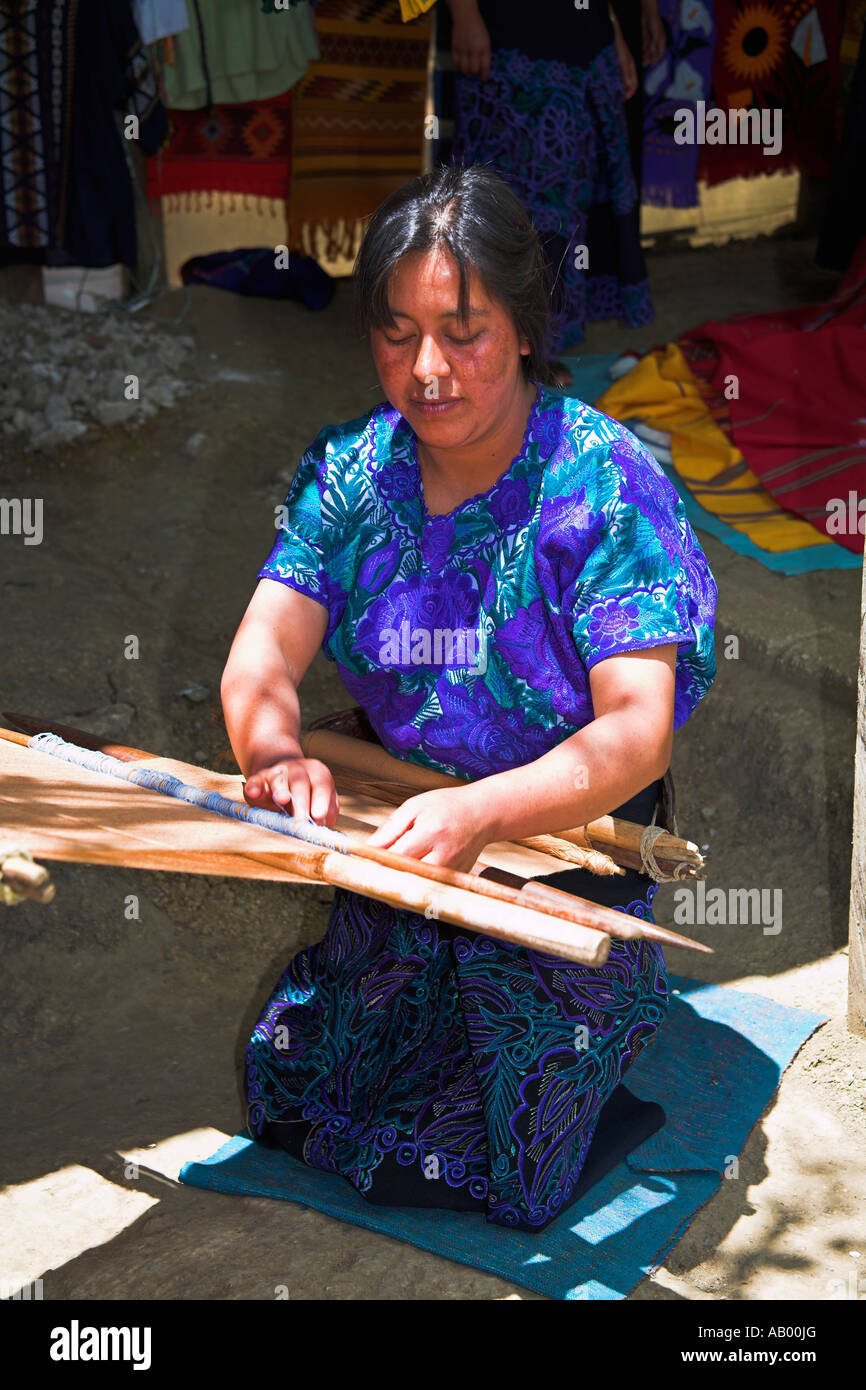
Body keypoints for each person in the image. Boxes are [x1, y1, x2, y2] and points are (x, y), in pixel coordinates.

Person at [221, 165, 717, 1231]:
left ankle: (597, 1011)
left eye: (463, 330)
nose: (426, 369)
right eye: (396, 333)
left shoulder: (601, 485)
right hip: (404, 830)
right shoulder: (350, 476)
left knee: (502, 1143)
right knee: (300, 1087)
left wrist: (484, 813)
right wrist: (274, 750)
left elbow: (635, 727)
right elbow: (261, 654)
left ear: (526, 329)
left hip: (567, 843)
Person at [438, 0, 661, 383]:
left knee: (566, 199)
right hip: (510, 41)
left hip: (585, 42)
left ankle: (536, 349)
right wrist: (465, 13)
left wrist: (612, 30)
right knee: (509, 202)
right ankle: (494, 351)